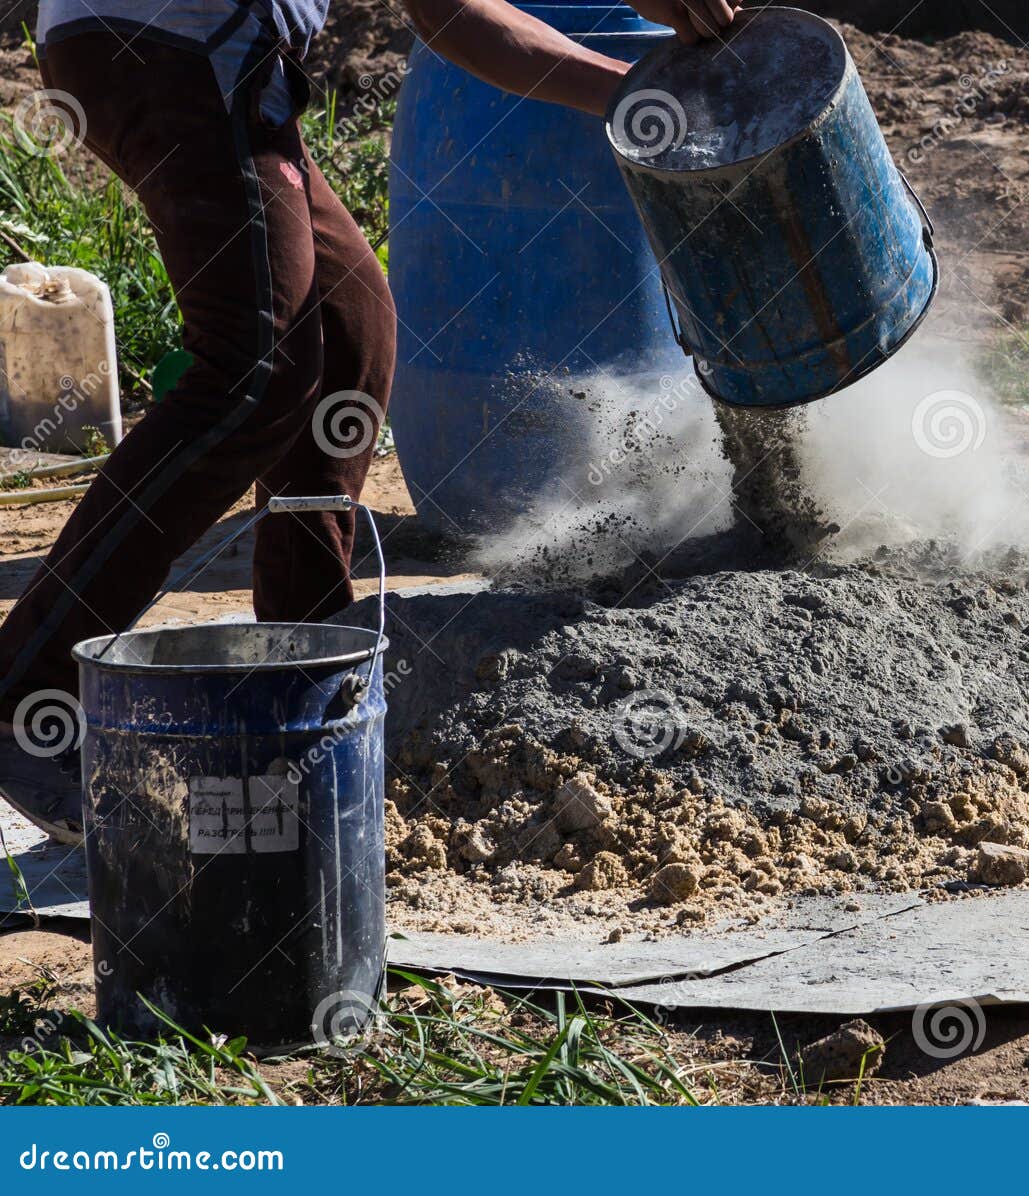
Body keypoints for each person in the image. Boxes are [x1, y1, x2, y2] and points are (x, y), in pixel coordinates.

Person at [0, 0, 741, 843]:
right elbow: (453, 13)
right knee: (253, 370)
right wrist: (629, 86)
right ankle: (25, 700)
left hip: (222, 62)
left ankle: (301, 685)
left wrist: (630, 72)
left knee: (350, 334)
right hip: (163, 50)